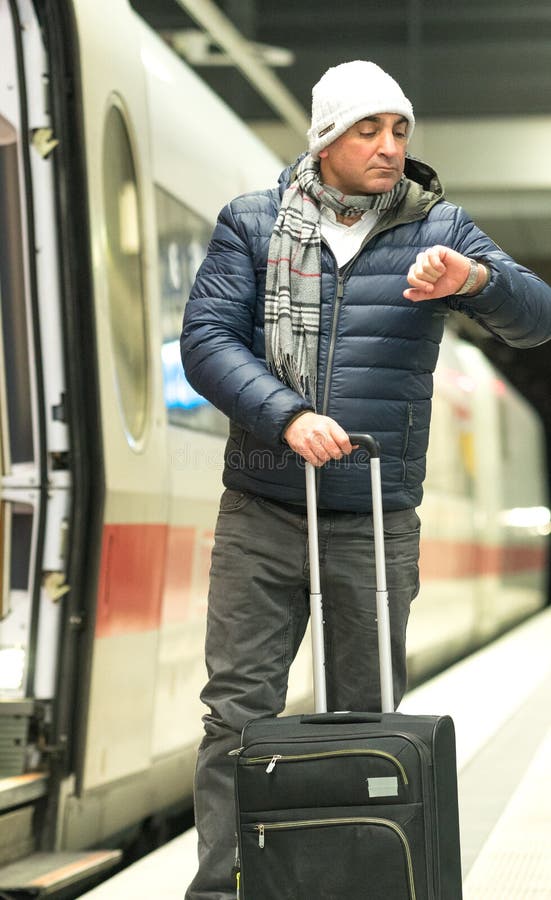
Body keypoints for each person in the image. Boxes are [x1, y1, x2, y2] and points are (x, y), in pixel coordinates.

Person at [180, 60, 551, 899]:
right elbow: (205, 338)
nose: (389, 147)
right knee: (235, 716)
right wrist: (286, 413)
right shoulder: (251, 221)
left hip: (375, 517)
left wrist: (478, 280)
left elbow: (538, 318)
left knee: (367, 716)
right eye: (367, 129)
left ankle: (361, 883)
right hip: (263, 508)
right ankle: (218, 890)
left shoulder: (438, 228)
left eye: (399, 130)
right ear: (324, 138)